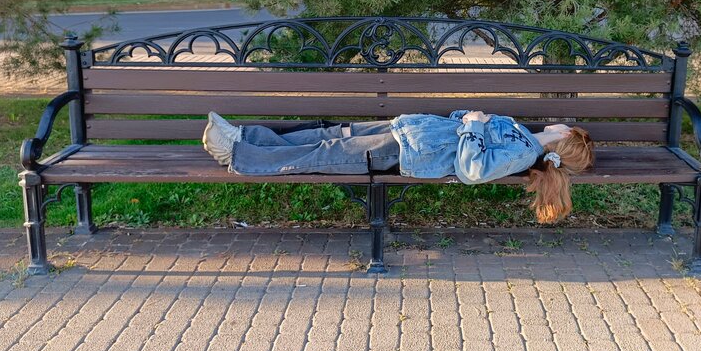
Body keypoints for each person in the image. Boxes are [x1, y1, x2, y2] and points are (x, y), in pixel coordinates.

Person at [202, 110, 595, 223]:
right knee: (327, 136)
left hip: (404, 154)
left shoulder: (524, 152)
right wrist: (468, 119)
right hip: (407, 131)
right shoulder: (521, 134)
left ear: (562, 140)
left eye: (568, 126)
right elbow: (462, 126)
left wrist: (474, 125)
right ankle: (245, 138)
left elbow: (472, 169)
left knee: (324, 153)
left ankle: (239, 157)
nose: (562, 121)